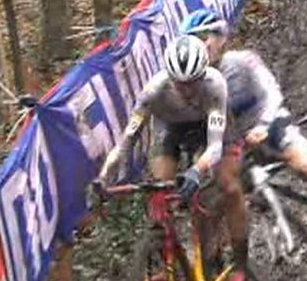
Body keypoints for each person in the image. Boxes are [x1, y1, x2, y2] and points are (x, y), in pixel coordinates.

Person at [179, 10, 307, 281]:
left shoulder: (243, 61)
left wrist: (264, 125)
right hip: (244, 146)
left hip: (274, 124)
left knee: (302, 166)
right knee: (217, 199)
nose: (200, 46)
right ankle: (217, 266)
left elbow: (272, 91)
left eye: (204, 38)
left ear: (219, 37)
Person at [97, 35, 227, 200]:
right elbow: (127, 141)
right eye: (180, 84)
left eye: (193, 82)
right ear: (170, 78)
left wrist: (196, 171)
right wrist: (104, 177)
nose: (187, 91)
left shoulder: (215, 85)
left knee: (205, 184)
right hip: (168, 127)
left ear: (202, 75)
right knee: (161, 188)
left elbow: (215, 146)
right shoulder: (153, 92)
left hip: (203, 126)